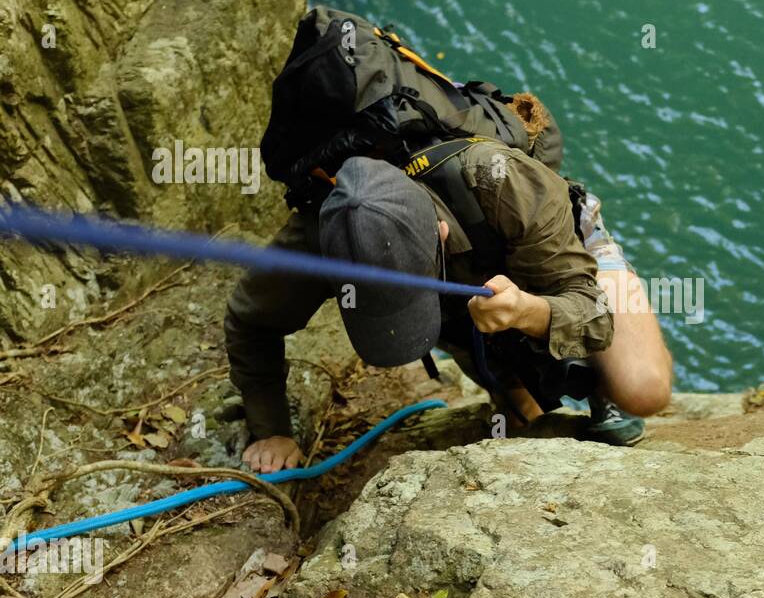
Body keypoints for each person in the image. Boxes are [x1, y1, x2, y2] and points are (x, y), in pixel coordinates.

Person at [224, 110, 673, 474]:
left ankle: (594, 388)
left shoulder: (505, 182)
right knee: (520, 414)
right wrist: (272, 429)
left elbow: (588, 307)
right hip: (467, 291)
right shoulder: (322, 236)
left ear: (439, 233)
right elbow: (250, 320)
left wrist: (528, 311)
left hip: (562, 260)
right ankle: (512, 389)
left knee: (643, 389)